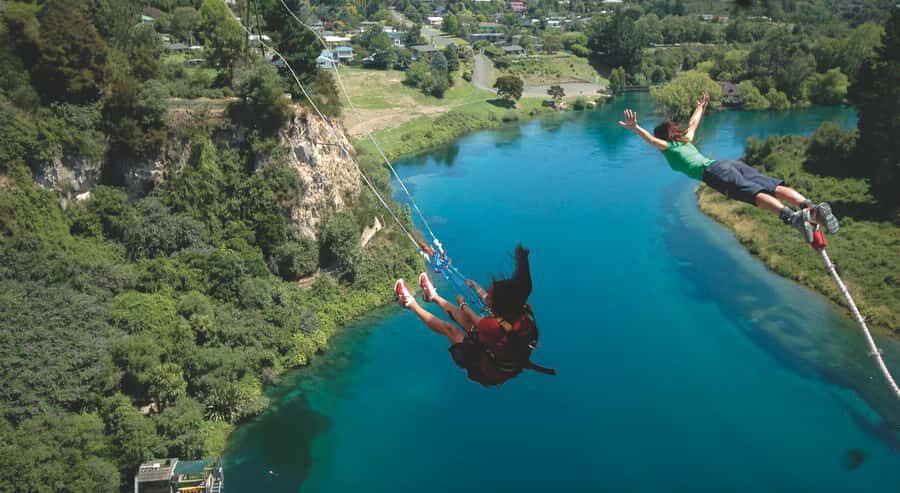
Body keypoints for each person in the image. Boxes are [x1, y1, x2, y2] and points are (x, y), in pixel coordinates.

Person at [618, 93, 840, 242]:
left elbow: (651, 141)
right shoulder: (685, 139)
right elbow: (693, 123)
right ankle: (809, 206)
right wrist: (700, 106)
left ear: (663, 139)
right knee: (771, 185)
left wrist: (636, 128)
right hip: (726, 163)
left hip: (714, 173)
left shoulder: (668, 148)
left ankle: (792, 218)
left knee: (753, 194)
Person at [393, 245, 554, 386]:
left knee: (452, 330)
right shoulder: (519, 309)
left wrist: (463, 304)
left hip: (485, 368)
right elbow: (487, 304)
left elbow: (476, 321)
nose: (486, 297)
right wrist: (476, 287)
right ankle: (433, 296)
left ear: (499, 305)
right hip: (498, 350)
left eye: (489, 296)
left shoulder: (492, 326)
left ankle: (410, 303)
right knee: (469, 323)